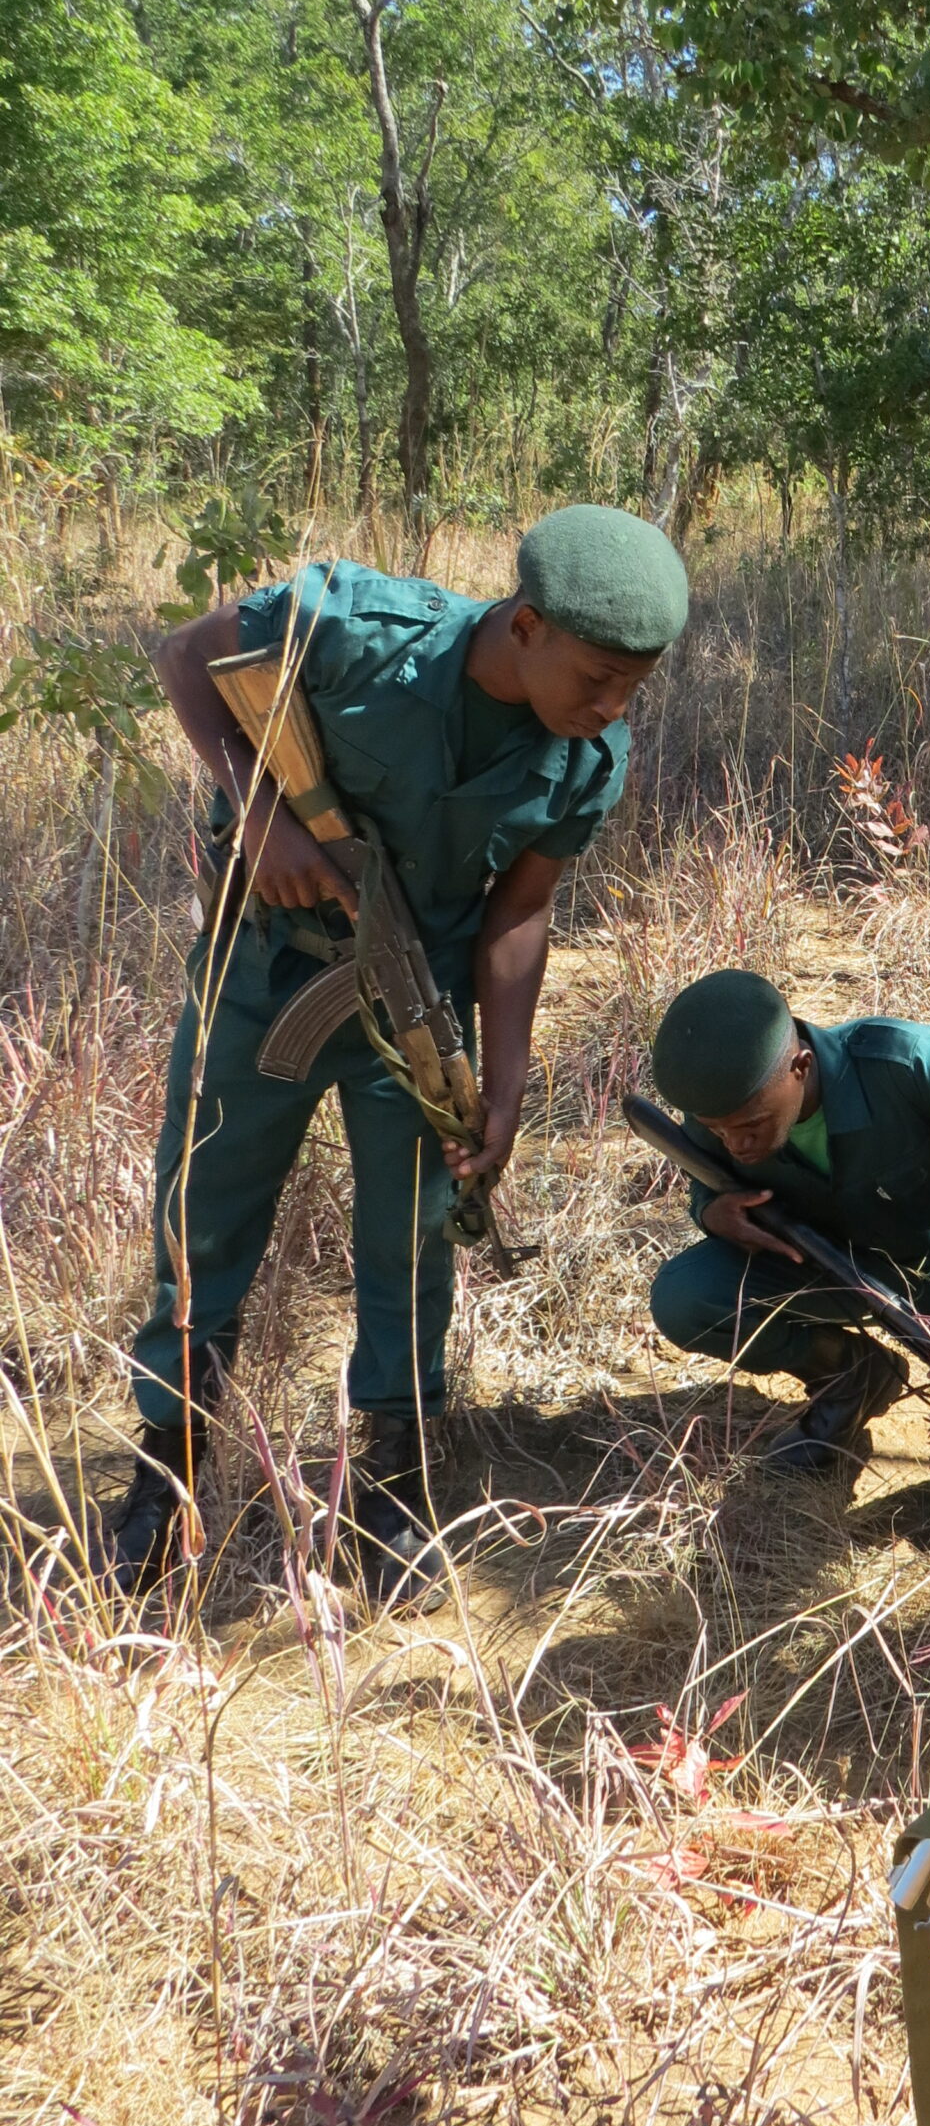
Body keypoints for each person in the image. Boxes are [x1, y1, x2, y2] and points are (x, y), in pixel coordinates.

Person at [111, 504, 689, 1606]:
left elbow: (522, 911)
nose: (614, 709)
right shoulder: (353, 625)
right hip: (264, 976)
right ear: (526, 625)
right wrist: (261, 806)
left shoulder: (586, 761)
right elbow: (190, 656)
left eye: (636, 688)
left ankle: (395, 1481)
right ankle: (164, 1472)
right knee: (205, 1216)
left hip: (411, 1014)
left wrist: (506, 1078)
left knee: (413, 1245)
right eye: (601, 678)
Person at [647, 970, 930, 1553]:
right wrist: (715, 1213)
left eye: (750, 1127)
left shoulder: (909, 1066)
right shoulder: (725, 1098)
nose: (736, 1144)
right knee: (686, 1296)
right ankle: (850, 1379)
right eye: (718, 1131)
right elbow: (705, 1182)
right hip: (820, 1266)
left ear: (801, 1067)